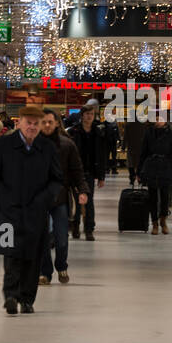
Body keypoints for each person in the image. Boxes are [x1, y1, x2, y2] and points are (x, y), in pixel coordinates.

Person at [0, 104, 63, 314]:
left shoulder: (47, 149)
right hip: (7, 213)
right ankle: (10, 295)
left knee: (33, 256)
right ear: (19, 122)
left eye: (36, 123)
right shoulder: (3, 146)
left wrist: (45, 199)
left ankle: (27, 298)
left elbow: (57, 179)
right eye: (28, 122)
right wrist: (1, 198)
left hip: (36, 213)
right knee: (11, 255)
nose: (32, 127)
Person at [38, 109, 87, 285]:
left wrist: (82, 190)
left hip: (60, 198)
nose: (47, 125)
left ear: (57, 123)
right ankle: (45, 272)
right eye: (43, 122)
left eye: (50, 122)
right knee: (42, 238)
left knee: (61, 238)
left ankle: (61, 265)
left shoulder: (67, 145)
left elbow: (77, 171)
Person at [68, 98, 108, 240]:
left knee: (89, 200)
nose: (89, 116)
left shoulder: (98, 132)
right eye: (87, 114)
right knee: (77, 201)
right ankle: (75, 227)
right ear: (82, 115)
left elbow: (102, 155)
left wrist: (102, 176)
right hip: (76, 171)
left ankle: (89, 228)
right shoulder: (74, 131)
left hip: (91, 171)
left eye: (91, 114)